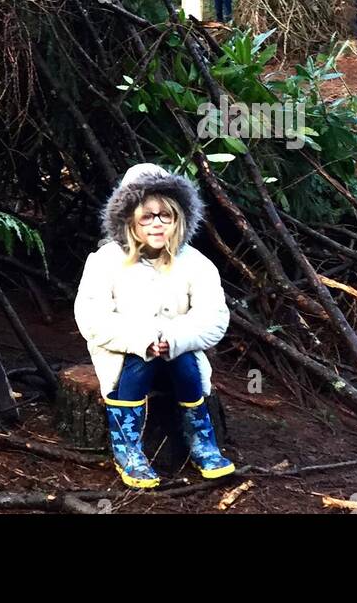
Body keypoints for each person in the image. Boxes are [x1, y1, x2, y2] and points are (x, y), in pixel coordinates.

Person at [74, 163, 234, 488]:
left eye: (166, 215)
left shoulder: (196, 263)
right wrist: (143, 340)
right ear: (130, 219)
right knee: (138, 361)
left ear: (179, 219)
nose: (157, 224)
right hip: (127, 360)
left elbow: (214, 318)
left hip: (178, 358)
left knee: (186, 360)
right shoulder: (105, 261)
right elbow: (91, 317)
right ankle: (128, 448)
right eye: (147, 216)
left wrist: (174, 337)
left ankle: (201, 441)